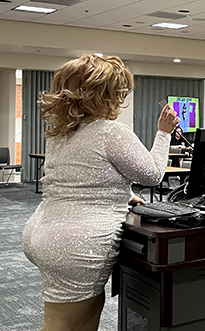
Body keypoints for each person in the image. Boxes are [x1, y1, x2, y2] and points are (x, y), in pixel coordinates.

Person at [22, 54, 177, 331]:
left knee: (87, 311)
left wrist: (124, 195)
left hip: (43, 230)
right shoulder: (111, 132)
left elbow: (80, 178)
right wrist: (163, 133)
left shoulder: (63, 132)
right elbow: (152, 175)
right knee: (60, 324)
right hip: (77, 244)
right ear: (105, 94)